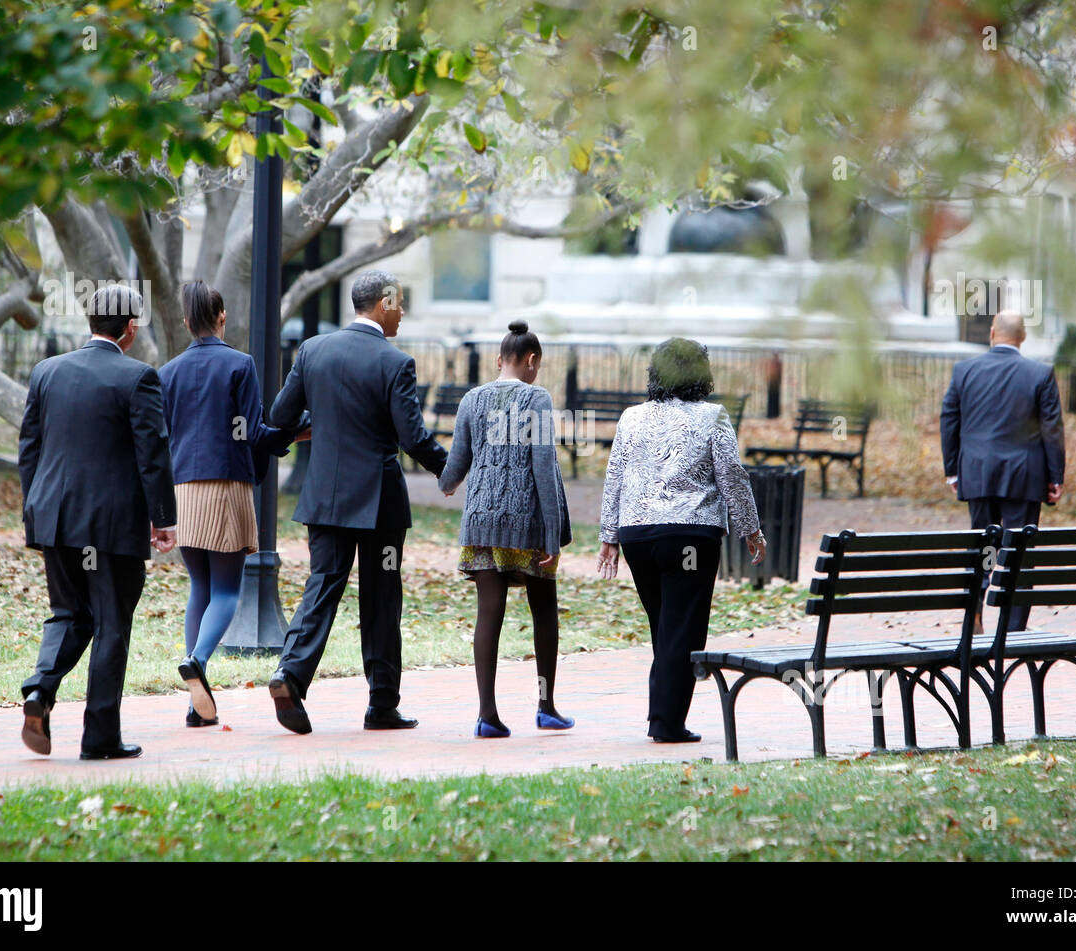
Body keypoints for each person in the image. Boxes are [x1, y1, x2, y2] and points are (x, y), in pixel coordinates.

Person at [264, 270, 446, 734]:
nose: (402, 313)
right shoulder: (395, 363)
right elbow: (413, 438)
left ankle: (289, 673)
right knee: (382, 597)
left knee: (322, 584)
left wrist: (321, 420)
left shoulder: (313, 351)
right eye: (400, 304)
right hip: (378, 503)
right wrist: (451, 469)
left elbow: (282, 416)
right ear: (384, 303)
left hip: (324, 494)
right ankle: (382, 704)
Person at [17, 285, 177, 760]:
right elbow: (153, 454)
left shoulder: (47, 371)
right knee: (110, 624)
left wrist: (37, 508)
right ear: (130, 328)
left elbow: (29, 449)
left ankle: (40, 691)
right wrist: (163, 518)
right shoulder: (138, 377)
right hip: (110, 526)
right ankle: (100, 737)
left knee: (69, 613)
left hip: (54, 518)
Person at [597, 337, 765, 744]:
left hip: (638, 538)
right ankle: (666, 723)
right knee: (682, 629)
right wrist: (751, 528)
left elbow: (614, 475)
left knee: (665, 627)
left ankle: (664, 715)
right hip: (689, 538)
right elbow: (731, 474)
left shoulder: (631, 417)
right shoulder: (714, 417)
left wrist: (609, 537)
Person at [158, 281, 305, 728]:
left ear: (186, 322)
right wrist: (296, 431)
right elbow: (254, 433)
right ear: (221, 316)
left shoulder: (168, 372)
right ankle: (197, 662)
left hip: (182, 490)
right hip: (225, 488)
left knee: (199, 589)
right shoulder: (240, 365)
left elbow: (162, 441)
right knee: (227, 591)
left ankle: (194, 705)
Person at [439, 321, 574, 738]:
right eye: (539, 364)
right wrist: (552, 534)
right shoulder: (536, 397)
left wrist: (447, 483)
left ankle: (486, 715)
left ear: (499, 360)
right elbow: (544, 468)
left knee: (488, 615)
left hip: (480, 523)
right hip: (526, 524)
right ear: (532, 361)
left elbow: (454, 468)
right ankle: (546, 705)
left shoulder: (472, 400)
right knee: (543, 612)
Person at [941, 310, 1066, 632]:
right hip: (1025, 476)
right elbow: (1051, 428)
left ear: (992, 333)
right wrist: (1055, 476)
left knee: (983, 545)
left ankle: (976, 607)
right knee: (1019, 552)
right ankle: (1011, 628)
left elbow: (949, 420)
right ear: (1022, 337)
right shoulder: (1040, 374)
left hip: (978, 472)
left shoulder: (964, 371)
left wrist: (953, 470)